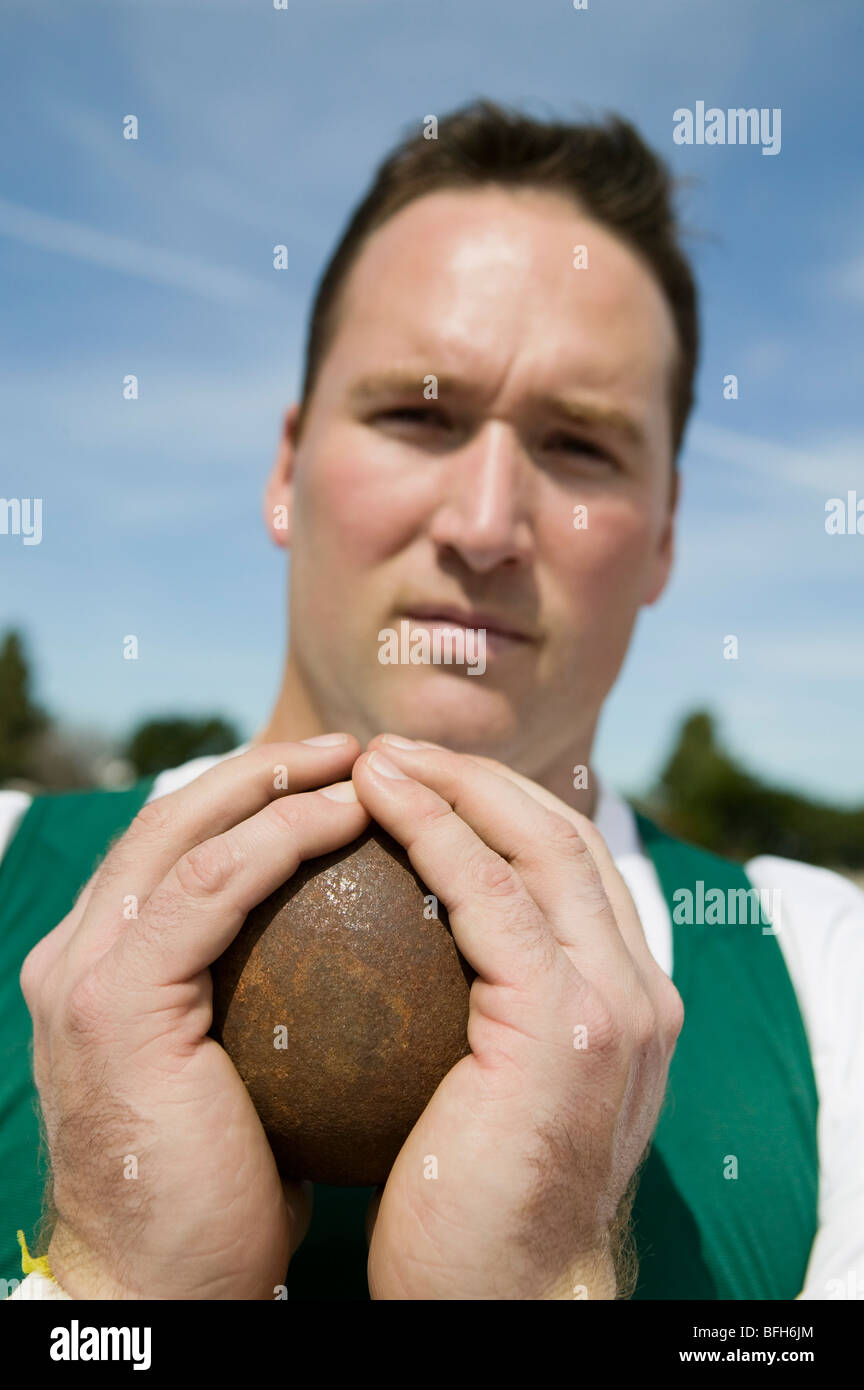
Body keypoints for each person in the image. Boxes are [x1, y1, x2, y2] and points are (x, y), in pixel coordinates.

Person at [2, 100, 861, 1302]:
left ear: (664, 537)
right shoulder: (10, 870)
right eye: (417, 413)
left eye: (581, 446)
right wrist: (108, 1289)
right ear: (286, 469)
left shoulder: (828, 987)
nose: (484, 525)